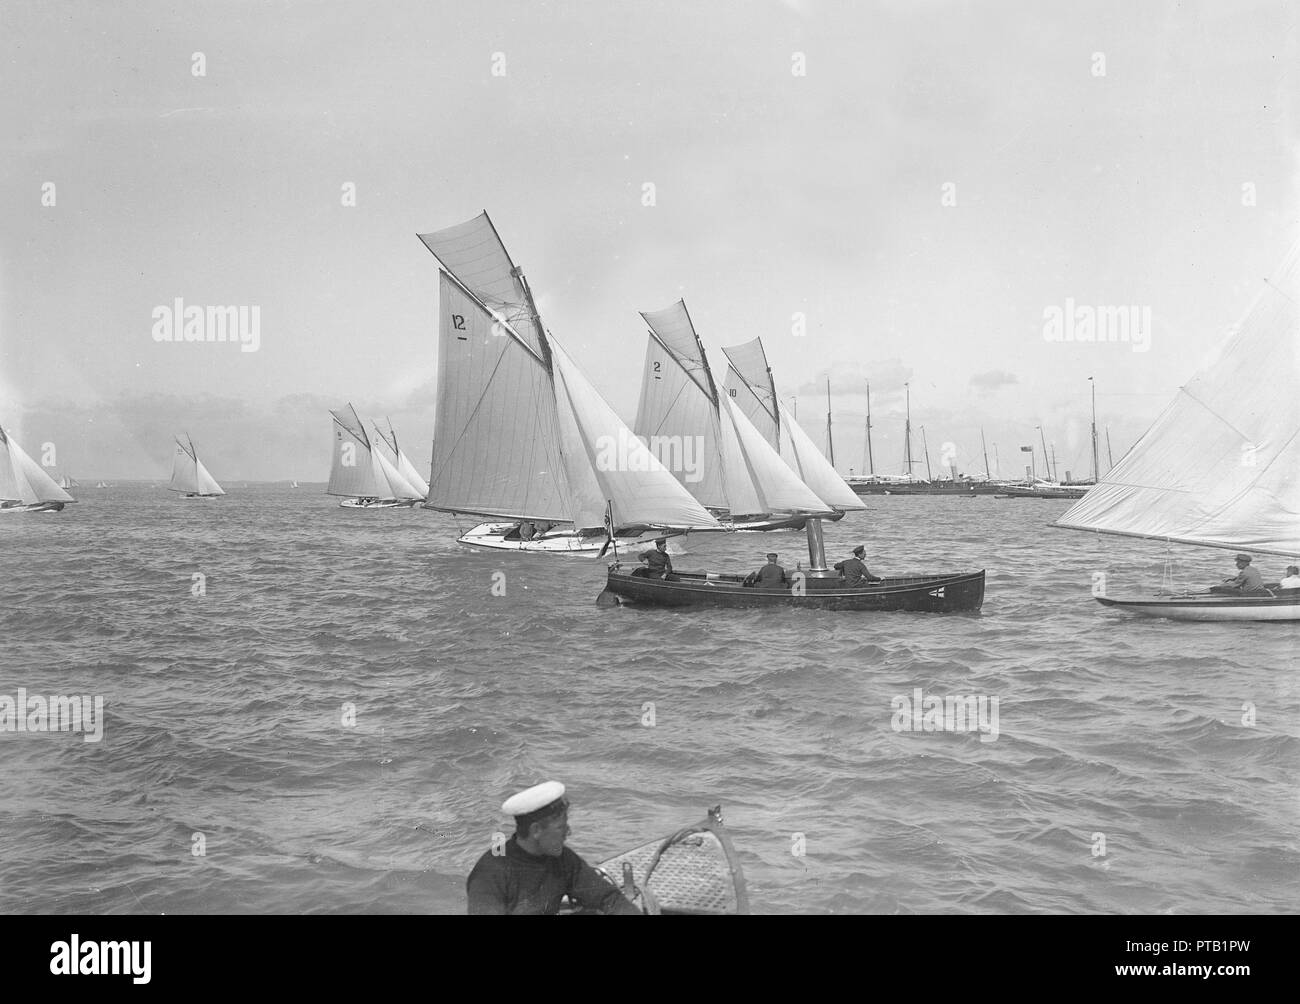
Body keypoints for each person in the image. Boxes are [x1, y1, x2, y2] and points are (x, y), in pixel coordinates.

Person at [466, 781, 642, 915]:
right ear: (536, 830)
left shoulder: (563, 859)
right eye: (560, 827)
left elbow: (609, 898)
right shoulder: (491, 872)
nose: (568, 832)